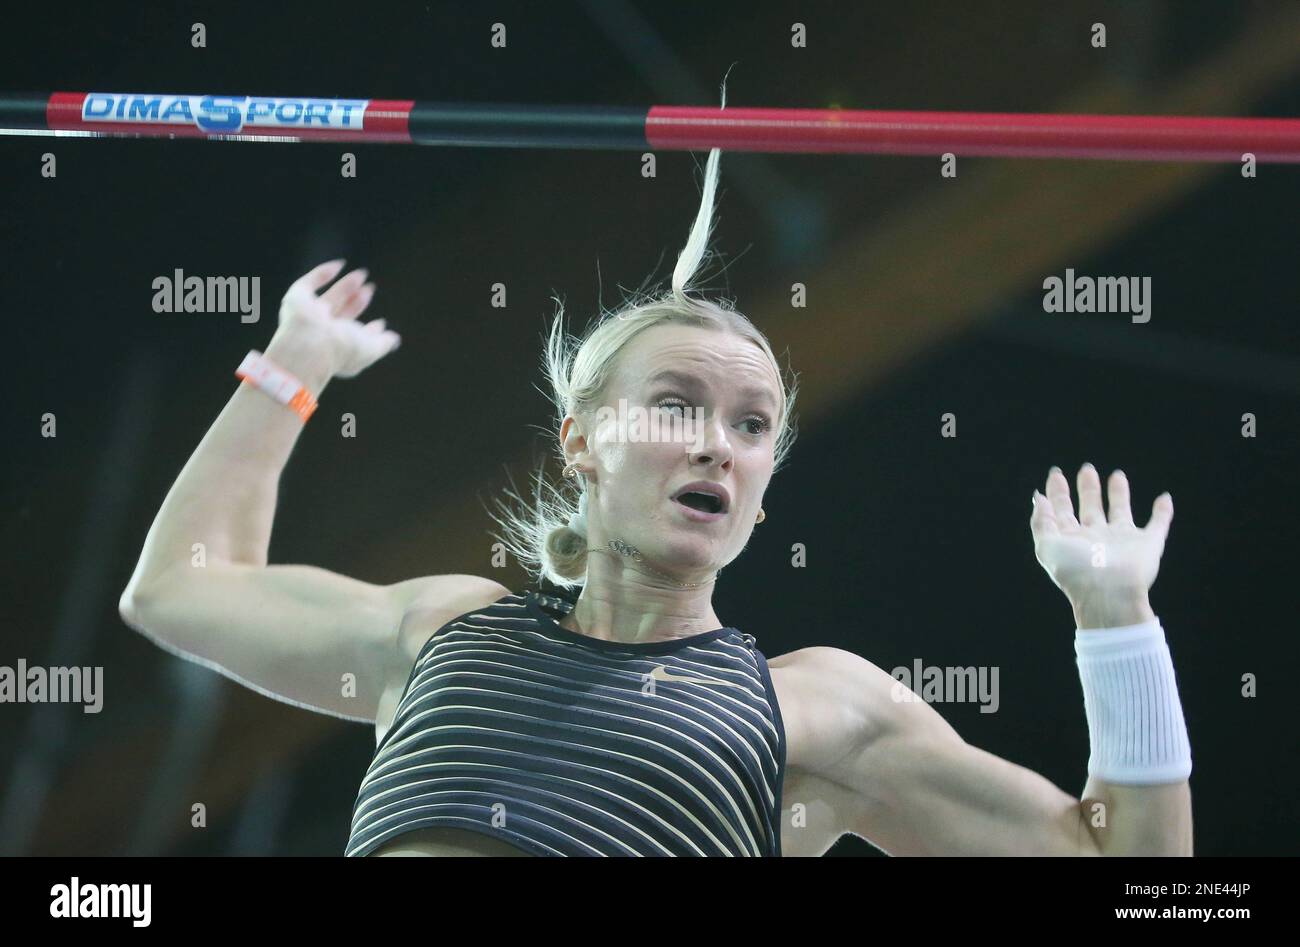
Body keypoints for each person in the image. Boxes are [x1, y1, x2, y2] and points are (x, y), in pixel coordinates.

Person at [119, 142, 1192, 857]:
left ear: (764, 491)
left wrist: (1117, 627)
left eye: (751, 424)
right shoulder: (440, 628)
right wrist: (290, 366)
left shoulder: (815, 710)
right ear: (581, 441)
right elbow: (178, 590)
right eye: (677, 405)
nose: (717, 446)